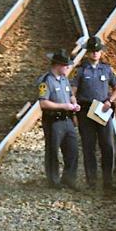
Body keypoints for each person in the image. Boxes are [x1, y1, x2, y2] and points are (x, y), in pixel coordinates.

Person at [72, 35, 116, 192]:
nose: (95, 53)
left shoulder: (107, 69)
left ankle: (108, 181)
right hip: (86, 111)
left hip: (102, 110)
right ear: (88, 52)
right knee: (89, 146)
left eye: (97, 51)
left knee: (107, 145)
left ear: (101, 52)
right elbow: (73, 91)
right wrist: (74, 109)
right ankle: (91, 181)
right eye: (92, 51)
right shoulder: (80, 70)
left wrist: (110, 100)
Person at [36, 50, 80, 190]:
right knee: (53, 151)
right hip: (53, 120)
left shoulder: (64, 79)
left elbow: (70, 94)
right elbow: (43, 103)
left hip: (67, 119)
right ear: (58, 65)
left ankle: (69, 178)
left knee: (72, 150)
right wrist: (63, 106)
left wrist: (74, 103)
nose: (68, 68)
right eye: (66, 66)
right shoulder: (46, 81)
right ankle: (53, 181)